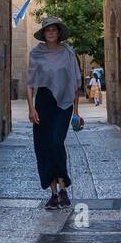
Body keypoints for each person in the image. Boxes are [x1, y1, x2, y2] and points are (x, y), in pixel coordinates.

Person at [27, 16, 82, 210]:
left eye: (54, 29)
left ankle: (64, 185)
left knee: (56, 142)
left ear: (59, 32)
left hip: (64, 104)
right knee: (44, 147)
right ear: (44, 34)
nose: (50, 32)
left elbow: (75, 82)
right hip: (43, 102)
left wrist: (76, 110)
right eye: (47, 30)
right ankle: (53, 193)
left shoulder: (68, 52)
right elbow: (30, 83)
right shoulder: (36, 54)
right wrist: (31, 108)